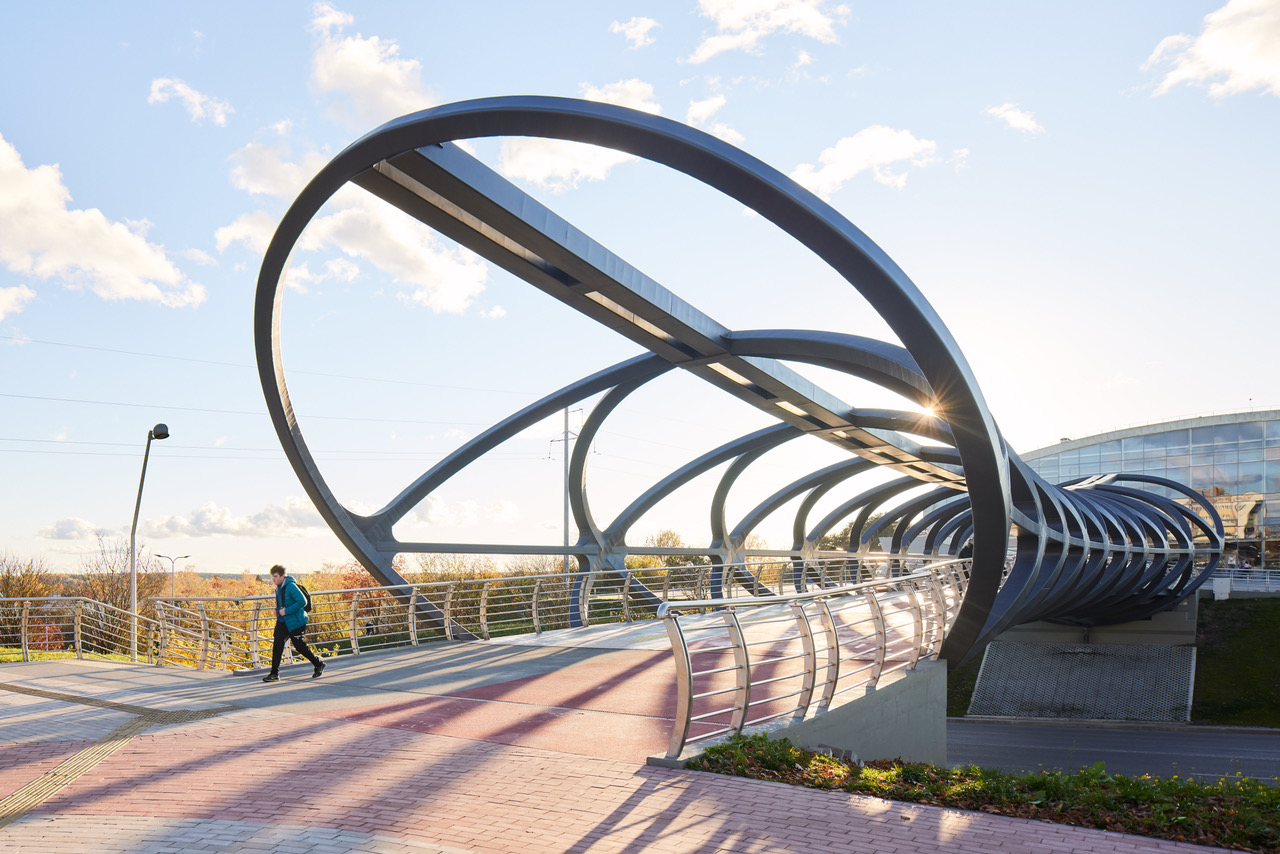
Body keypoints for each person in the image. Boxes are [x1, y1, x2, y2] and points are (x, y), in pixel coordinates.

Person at [262, 564, 324, 682]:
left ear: (282, 576)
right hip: (282, 622)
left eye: (275, 576)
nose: (273, 579)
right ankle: (274, 674)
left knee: (300, 647)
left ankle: (318, 664)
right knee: (277, 646)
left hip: (296, 622)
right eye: (272, 577)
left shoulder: (290, 586)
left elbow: (302, 601)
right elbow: (284, 603)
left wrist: (286, 611)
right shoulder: (279, 587)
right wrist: (278, 611)